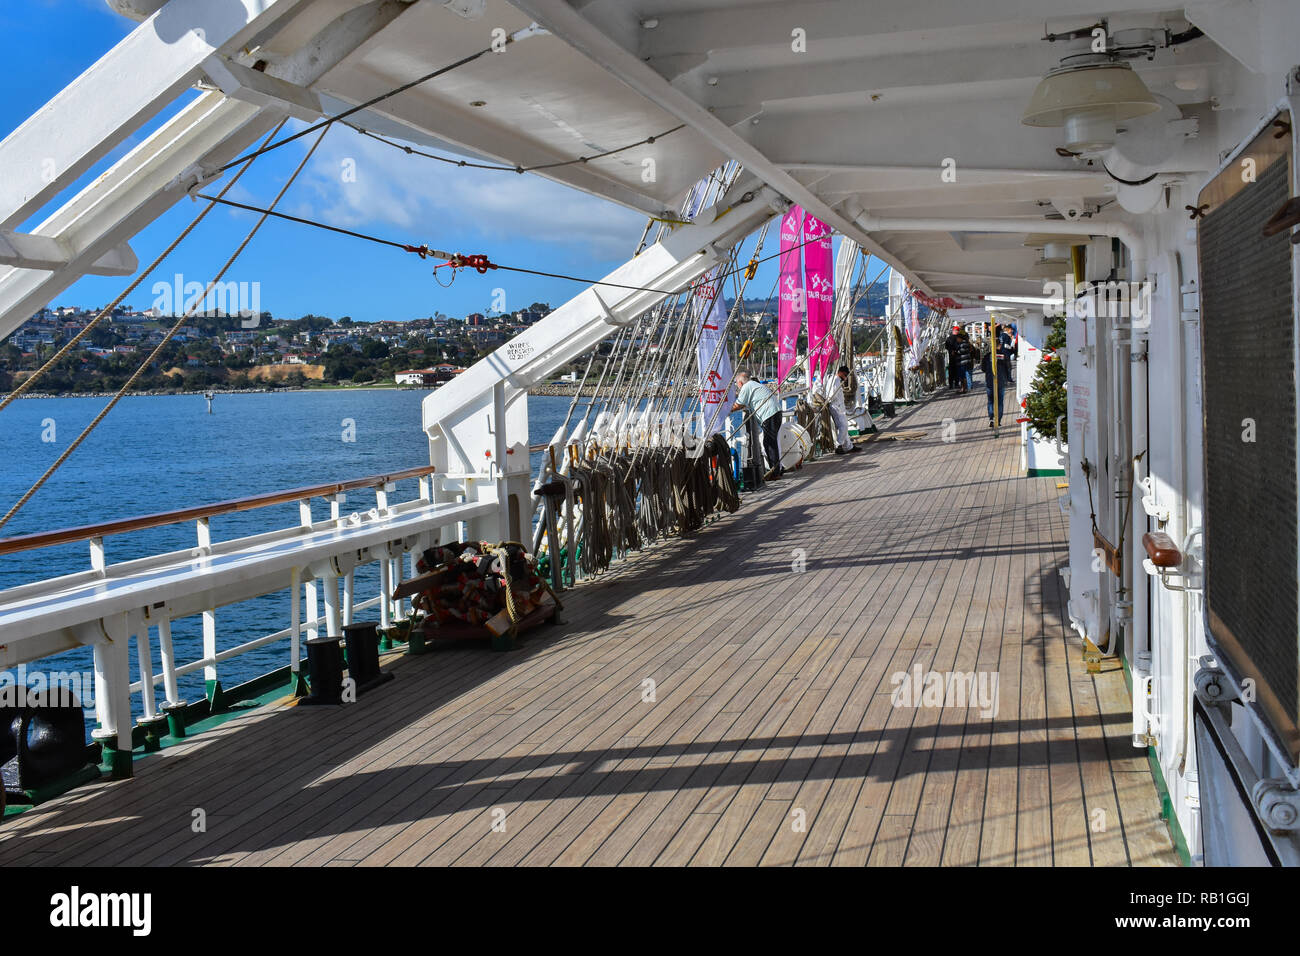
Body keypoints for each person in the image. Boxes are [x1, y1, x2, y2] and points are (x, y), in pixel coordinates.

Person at [732, 369, 783, 478]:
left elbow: (738, 405)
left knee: (769, 443)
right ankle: (777, 469)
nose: (737, 386)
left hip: (770, 414)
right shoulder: (753, 384)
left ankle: (776, 472)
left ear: (740, 382)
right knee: (770, 442)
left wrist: (725, 410)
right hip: (775, 412)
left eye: (737, 384)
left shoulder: (746, 387)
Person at [818, 365, 857, 455]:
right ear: (841, 373)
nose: (846, 378)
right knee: (844, 427)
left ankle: (848, 446)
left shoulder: (836, 380)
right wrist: (838, 404)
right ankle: (838, 446)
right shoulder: (835, 380)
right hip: (836, 407)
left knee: (843, 428)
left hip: (838, 407)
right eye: (846, 375)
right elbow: (832, 395)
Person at [980, 328, 1015, 427]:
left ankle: (991, 418)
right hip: (1001, 381)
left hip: (990, 381)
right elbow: (1008, 368)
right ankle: (998, 420)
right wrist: (1008, 378)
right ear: (999, 345)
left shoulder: (987, 356)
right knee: (999, 402)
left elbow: (983, 368)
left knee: (991, 401)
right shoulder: (1004, 356)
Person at [943, 325, 963, 390]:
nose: (957, 332)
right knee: (957, 370)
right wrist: (955, 351)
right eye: (957, 330)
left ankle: (951, 385)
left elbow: (946, 346)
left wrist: (950, 350)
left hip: (951, 357)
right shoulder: (959, 338)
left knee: (951, 371)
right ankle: (956, 384)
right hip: (958, 356)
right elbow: (960, 346)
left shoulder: (949, 338)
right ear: (956, 331)